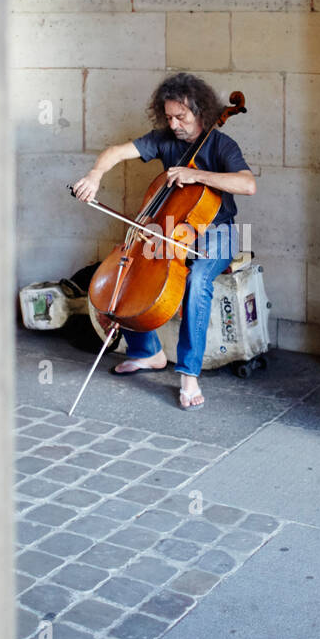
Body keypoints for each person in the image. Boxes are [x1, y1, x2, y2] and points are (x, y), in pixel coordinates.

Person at [72, 74, 256, 410]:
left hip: (218, 232)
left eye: (180, 117)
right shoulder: (163, 139)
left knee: (198, 281)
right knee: (129, 277)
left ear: (200, 112)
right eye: (168, 117)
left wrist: (196, 174)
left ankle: (188, 374)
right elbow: (116, 152)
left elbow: (247, 185)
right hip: (169, 227)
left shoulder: (221, 145)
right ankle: (148, 353)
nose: (173, 125)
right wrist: (95, 175)